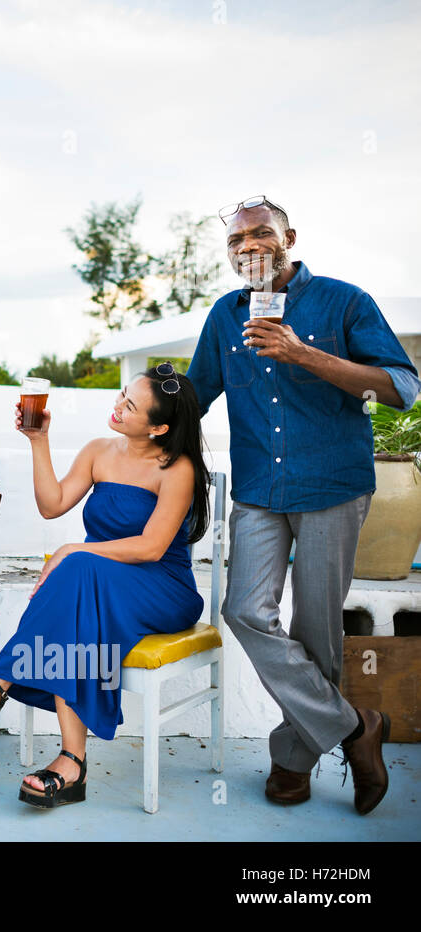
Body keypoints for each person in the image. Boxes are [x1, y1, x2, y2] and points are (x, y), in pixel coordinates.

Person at [188, 196, 419, 815]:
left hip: (332, 486)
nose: (248, 247)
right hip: (260, 488)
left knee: (316, 630)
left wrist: (303, 353)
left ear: (288, 236)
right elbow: (194, 397)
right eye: (236, 241)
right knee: (244, 611)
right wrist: (139, 427)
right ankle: (354, 728)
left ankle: (291, 760)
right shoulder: (223, 315)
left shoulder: (344, 300)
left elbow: (401, 387)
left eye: (260, 234)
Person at [0, 366, 209, 808]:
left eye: (130, 405)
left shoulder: (176, 468)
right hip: (98, 581)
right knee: (80, 598)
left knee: (78, 569)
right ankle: (72, 763)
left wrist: (73, 551)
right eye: (122, 395)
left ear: (159, 427)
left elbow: (153, 547)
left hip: (163, 588)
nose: (117, 406)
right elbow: (53, 505)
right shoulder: (99, 450)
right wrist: (38, 441)